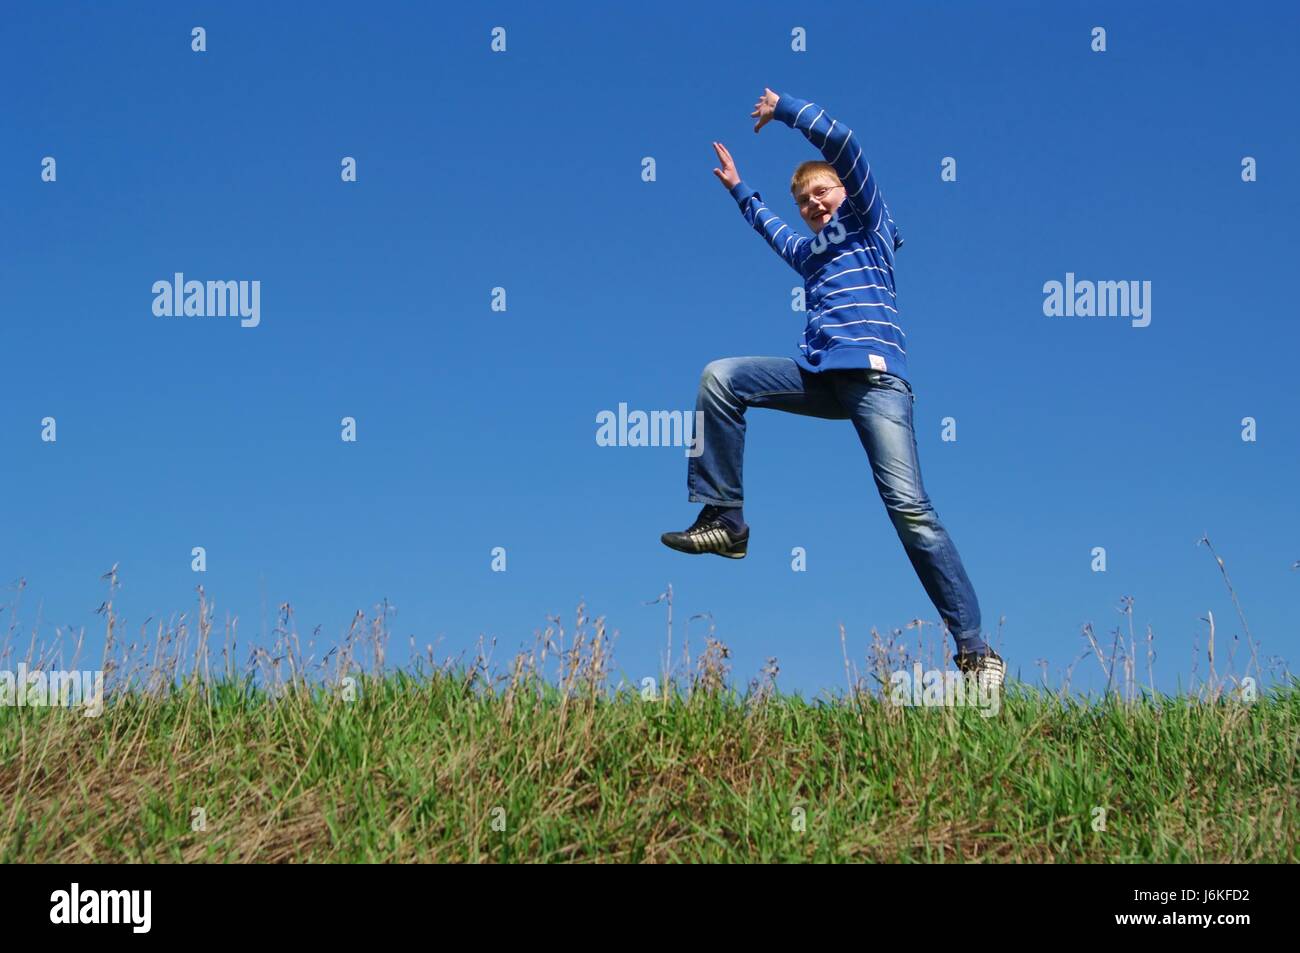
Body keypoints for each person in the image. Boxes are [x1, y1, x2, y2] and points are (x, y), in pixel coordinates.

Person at [660, 88, 1005, 688]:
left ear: (844, 190)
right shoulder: (810, 253)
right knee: (721, 378)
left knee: (910, 510)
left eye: (822, 192)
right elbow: (772, 232)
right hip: (818, 378)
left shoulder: (868, 221)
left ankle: (976, 653)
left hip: (875, 382)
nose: (814, 204)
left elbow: (844, 143)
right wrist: (741, 189)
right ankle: (727, 520)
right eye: (805, 201)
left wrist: (785, 109)